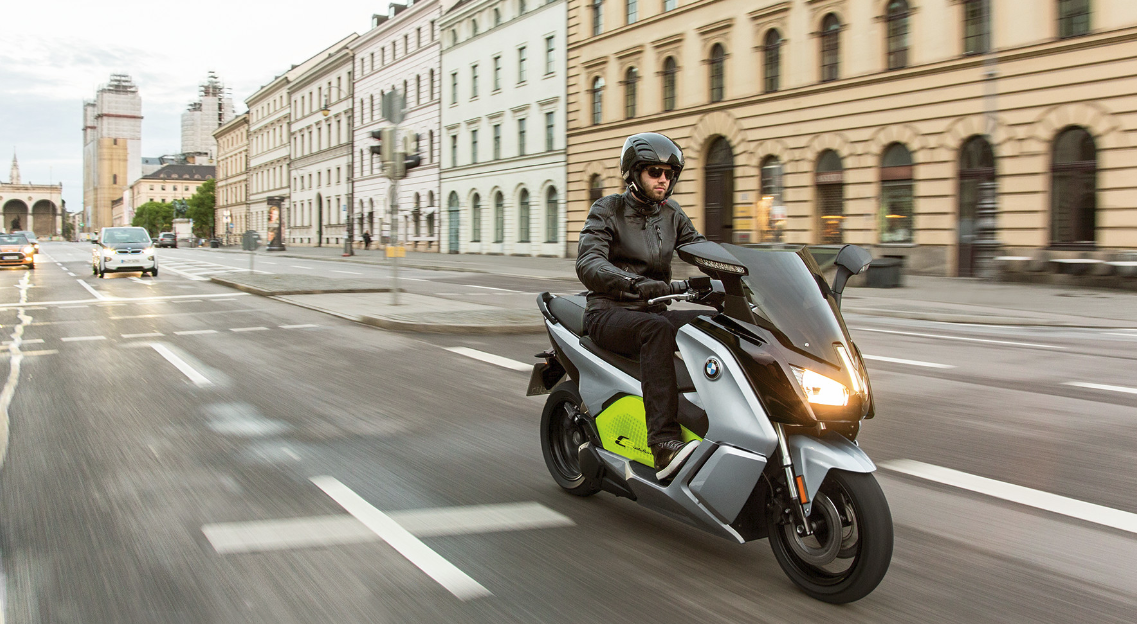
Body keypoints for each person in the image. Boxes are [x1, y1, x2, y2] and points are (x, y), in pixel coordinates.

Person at [576, 132, 707, 481]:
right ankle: (663, 444)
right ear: (633, 173)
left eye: (668, 173)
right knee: (658, 330)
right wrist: (632, 282)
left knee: (716, 325)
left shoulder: (673, 214)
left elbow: (702, 250)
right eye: (654, 172)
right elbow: (589, 262)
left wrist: (740, 275)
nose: (663, 179)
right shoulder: (608, 210)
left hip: (652, 310)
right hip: (608, 312)